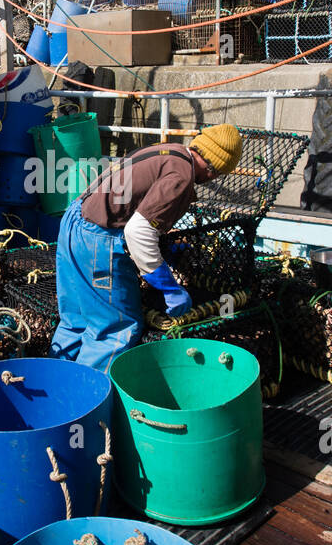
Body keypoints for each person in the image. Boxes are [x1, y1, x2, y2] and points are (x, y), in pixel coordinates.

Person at [50, 124, 243, 373]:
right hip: (97, 240)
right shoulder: (182, 176)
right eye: (217, 174)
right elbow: (137, 232)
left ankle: (54, 385)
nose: (213, 180)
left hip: (74, 220)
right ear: (213, 167)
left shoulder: (169, 150)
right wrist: (169, 287)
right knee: (115, 329)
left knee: (75, 320)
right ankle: (87, 403)